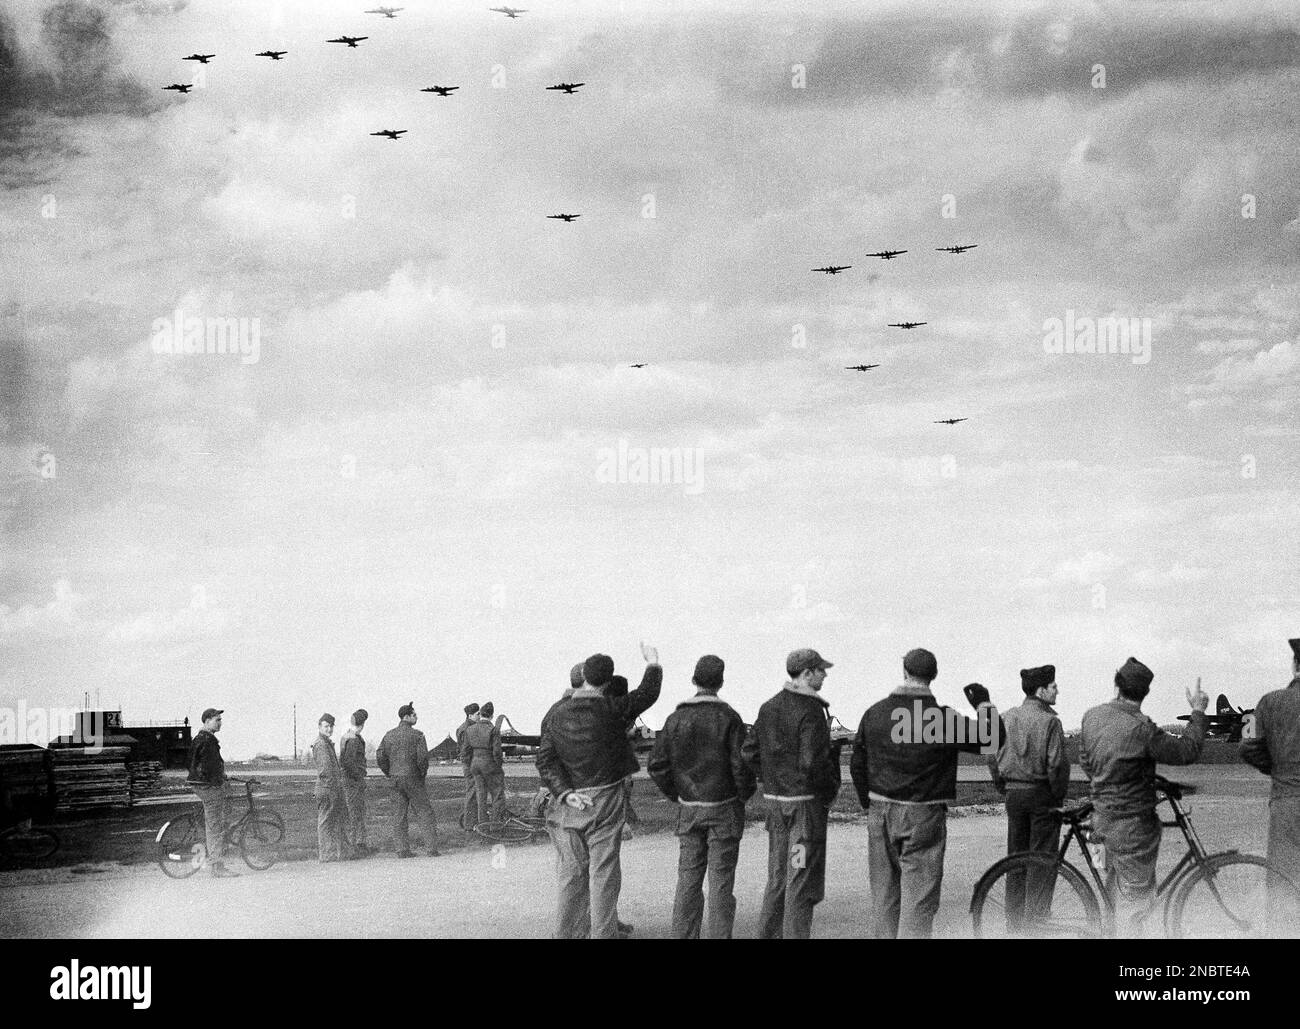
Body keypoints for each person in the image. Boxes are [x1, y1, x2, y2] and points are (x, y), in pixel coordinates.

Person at [850, 648, 1000, 939]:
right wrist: (983, 703)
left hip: (879, 811)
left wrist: (867, 804)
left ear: (904, 671)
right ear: (934, 676)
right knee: (918, 902)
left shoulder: (875, 713)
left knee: (884, 897)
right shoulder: (940, 719)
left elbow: (857, 762)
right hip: (923, 814)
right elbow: (992, 739)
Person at [536, 643, 662, 939]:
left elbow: (545, 759)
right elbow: (647, 694)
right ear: (607, 681)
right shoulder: (611, 707)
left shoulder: (555, 714)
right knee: (603, 874)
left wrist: (565, 792)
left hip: (567, 802)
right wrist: (653, 662)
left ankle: (566, 934)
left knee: (571, 875)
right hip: (604, 798)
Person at [1079, 657, 1207, 937]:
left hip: (1098, 824)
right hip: (1132, 831)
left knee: (1112, 893)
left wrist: (1111, 780)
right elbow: (1186, 751)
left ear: (1117, 685)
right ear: (1145, 693)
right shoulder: (1142, 728)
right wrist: (1197, 712)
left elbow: (1086, 762)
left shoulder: (1091, 716)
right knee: (1134, 904)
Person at [649, 654, 756, 939]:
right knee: (721, 883)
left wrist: (678, 794)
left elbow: (656, 765)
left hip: (689, 809)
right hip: (724, 808)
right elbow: (740, 766)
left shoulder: (676, 718)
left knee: (687, 880)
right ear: (721, 681)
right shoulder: (730, 718)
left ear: (694, 679)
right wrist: (744, 794)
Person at [741, 648, 841, 939]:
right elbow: (812, 762)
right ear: (807, 673)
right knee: (800, 876)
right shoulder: (811, 710)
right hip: (803, 812)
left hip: (776, 807)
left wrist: (771, 776)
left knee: (777, 876)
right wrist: (828, 789)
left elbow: (749, 752)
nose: (825, 674)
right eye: (820, 669)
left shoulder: (768, 706)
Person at [989, 664, 1070, 932]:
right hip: (1042, 796)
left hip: (1014, 795)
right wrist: (1057, 797)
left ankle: (1014, 926)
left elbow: (992, 757)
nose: (1057, 689)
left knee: (1016, 859)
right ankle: (1036, 925)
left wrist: (1004, 786)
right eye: (1053, 686)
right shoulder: (1050, 722)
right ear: (1041, 690)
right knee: (1042, 862)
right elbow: (1057, 765)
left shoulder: (1005, 718)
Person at [1240, 637, 1300, 931]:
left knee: (1283, 880)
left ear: (1295, 665)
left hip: (1286, 801)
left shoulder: (1268, 701)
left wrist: (1275, 768)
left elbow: (1247, 747)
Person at [376, 702, 440, 858]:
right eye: (414, 715)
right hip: (414, 778)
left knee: (398, 815)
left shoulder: (388, 735)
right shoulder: (418, 735)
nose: (416, 717)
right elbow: (423, 758)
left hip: (395, 779)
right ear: (407, 717)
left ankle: (402, 850)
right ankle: (431, 848)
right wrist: (421, 773)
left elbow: (380, 756)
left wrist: (389, 772)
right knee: (424, 812)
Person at [185, 707, 239, 877]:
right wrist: (219, 780)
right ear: (207, 721)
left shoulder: (199, 738)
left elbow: (191, 763)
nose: (220, 723)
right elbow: (210, 767)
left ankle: (216, 861)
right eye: (217, 720)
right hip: (208, 786)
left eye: (220, 720)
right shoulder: (208, 740)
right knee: (216, 825)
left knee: (214, 822)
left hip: (200, 784)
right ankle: (217, 866)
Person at [607, 675, 642, 838]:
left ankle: (630, 824)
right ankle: (628, 826)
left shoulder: (606, 708)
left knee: (620, 795)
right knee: (622, 793)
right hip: (621, 762)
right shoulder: (622, 710)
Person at [311, 713, 349, 862]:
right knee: (326, 822)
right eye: (326, 726)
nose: (329, 729)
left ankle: (339, 853)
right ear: (320, 727)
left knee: (334, 821)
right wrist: (333, 789)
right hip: (327, 789)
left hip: (330, 788)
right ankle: (326, 855)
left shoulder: (326, 743)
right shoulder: (321, 745)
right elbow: (326, 771)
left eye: (331, 726)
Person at [462, 701, 505, 825]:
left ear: (480, 714)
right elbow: (497, 751)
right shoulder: (493, 729)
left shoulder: (470, 729)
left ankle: (483, 825)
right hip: (490, 764)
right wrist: (498, 766)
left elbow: (465, 751)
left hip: (475, 765)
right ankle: (496, 825)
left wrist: (471, 765)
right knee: (497, 794)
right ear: (491, 716)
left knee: (481, 796)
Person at [340, 709, 370, 857]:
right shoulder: (353, 739)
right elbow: (348, 762)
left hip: (351, 780)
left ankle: (358, 845)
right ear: (362, 724)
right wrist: (358, 777)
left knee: (356, 813)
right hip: (353, 782)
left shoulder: (347, 736)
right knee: (355, 814)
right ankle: (354, 847)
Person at [456, 702, 481, 830]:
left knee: (473, 793)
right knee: (472, 794)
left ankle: (471, 821)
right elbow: (465, 751)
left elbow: (459, 749)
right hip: (471, 765)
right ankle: (470, 824)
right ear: (470, 715)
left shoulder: (461, 727)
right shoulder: (468, 729)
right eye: (478, 714)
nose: (480, 716)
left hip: (469, 764)